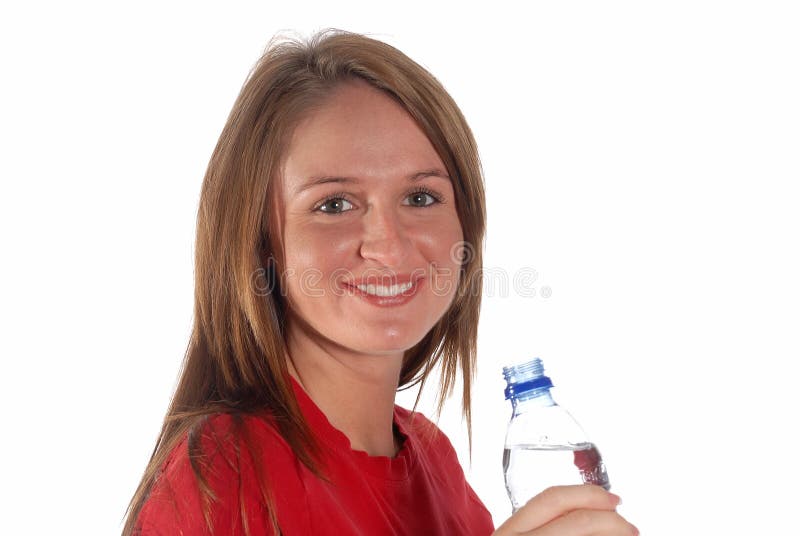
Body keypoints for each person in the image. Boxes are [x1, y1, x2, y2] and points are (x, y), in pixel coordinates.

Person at [123, 29, 637, 536]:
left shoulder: (437, 467)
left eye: (420, 198)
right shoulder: (222, 475)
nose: (389, 247)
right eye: (334, 205)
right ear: (260, 245)